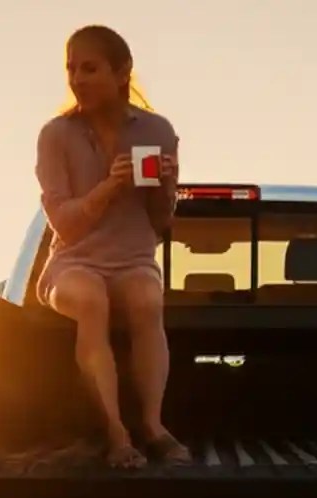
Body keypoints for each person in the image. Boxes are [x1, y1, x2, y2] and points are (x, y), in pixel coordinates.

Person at [33, 24, 191, 469]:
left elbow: (161, 224)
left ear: (123, 72)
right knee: (89, 298)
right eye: (71, 68)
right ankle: (116, 434)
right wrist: (110, 186)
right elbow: (65, 224)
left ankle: (153, 428)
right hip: (74, 261)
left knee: (145, 300)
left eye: (89, 68)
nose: (77, 79)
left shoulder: (157, 130)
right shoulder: (55, 135)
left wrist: (166, 186)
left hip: (134, 259)